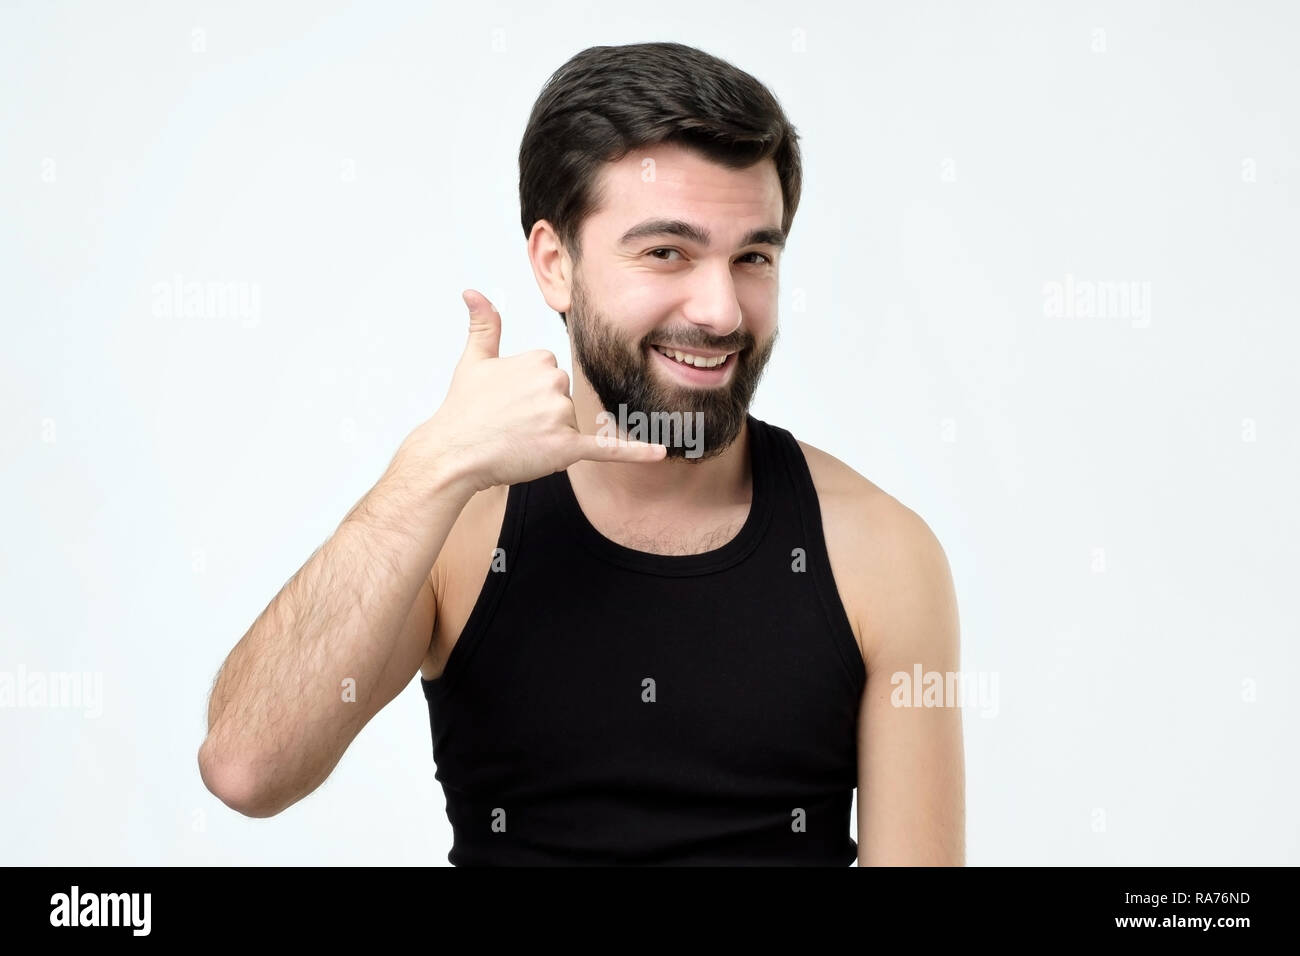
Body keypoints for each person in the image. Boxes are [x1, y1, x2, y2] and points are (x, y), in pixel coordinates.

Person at [198, 41, 964, 866]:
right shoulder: (461, 527)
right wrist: (436, 464)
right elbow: (247, 768)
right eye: (666, 251)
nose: (720, 310)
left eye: (753, 257)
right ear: (555, 264)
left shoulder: (880, 553)